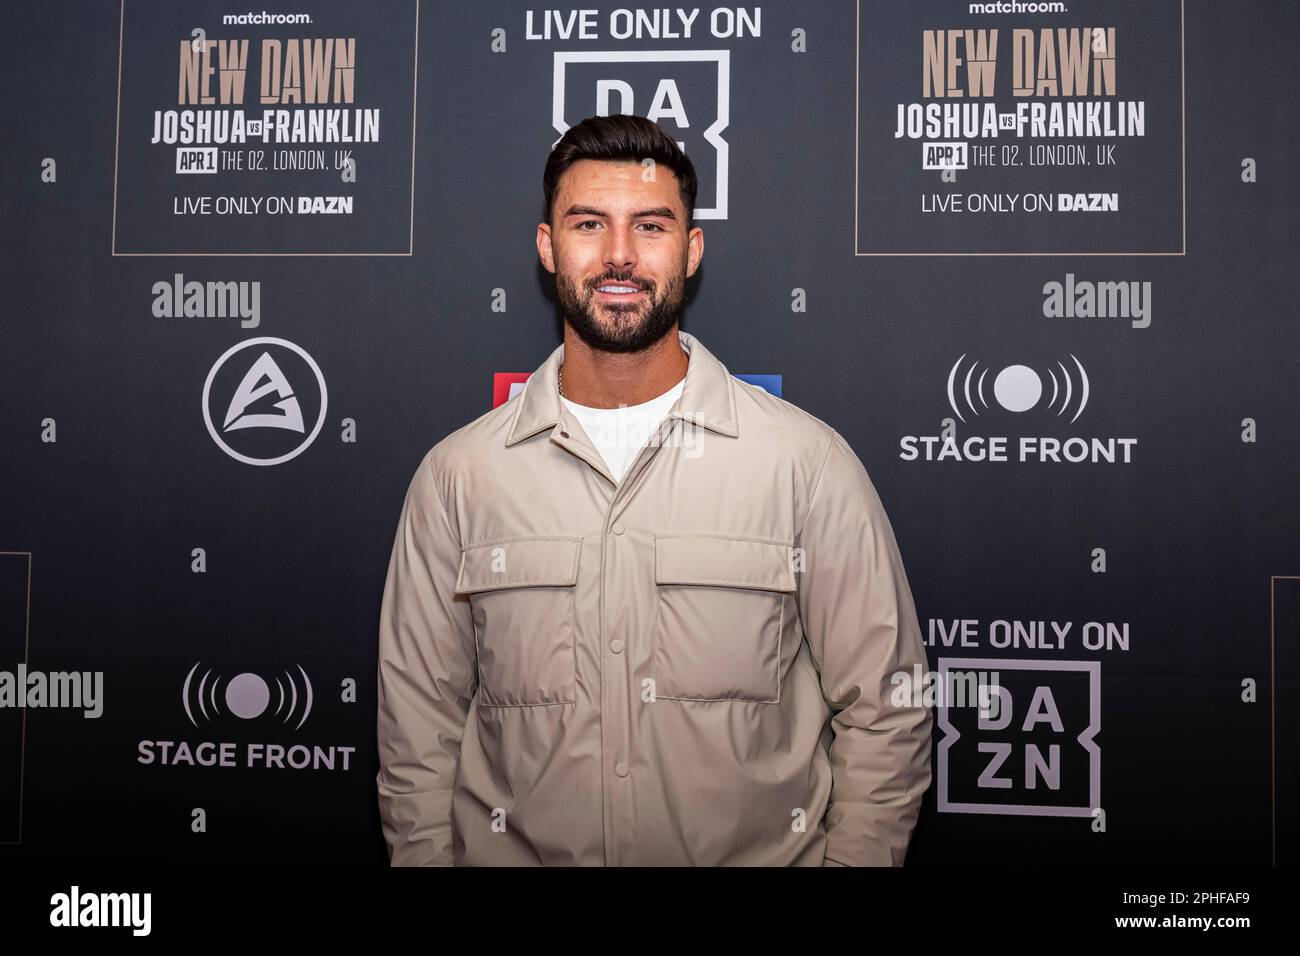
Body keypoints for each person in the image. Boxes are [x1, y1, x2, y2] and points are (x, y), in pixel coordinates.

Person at [376, 114, 932, 866]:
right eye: (587, 224)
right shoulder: (460, 477)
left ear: (691, 250)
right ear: (547, 247)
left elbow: (889, 709)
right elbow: (418, 732)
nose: (618, 256)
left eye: (651, 225)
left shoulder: (804, 464)